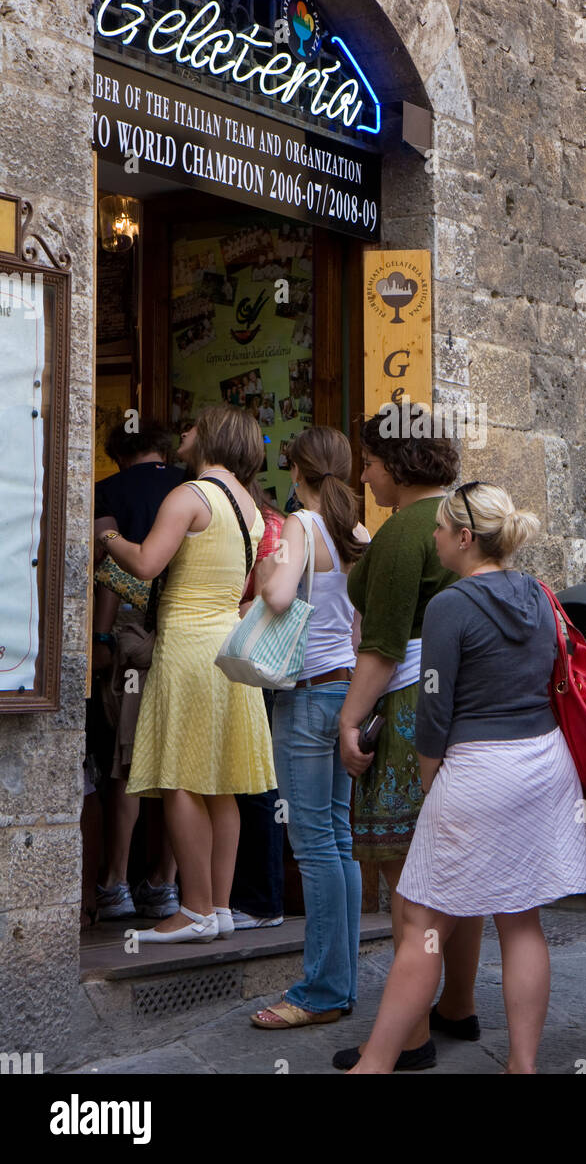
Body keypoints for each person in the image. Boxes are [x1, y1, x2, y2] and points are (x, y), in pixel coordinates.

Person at [347, 483, 586, 1074]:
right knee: (521, 920)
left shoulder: (449, 606)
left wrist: (433, 775)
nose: (433, 536)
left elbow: (435, 709)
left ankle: (376, 1064)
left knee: (419, 920)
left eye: (440, 528)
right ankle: (523, 1064)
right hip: (543, 763)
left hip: (479, 766)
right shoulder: (538, 593)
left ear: (465, 537)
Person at [334, 408, 484, 1071]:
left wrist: (347, 721)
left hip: (406, 716)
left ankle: (412, 1035)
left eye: (368, 461)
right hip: (468, 712)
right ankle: (459, 1006)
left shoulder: (402, 534)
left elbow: (382, 646)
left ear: (394, 463)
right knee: (460, 876)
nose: (363, 473)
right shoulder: (465, 516)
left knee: (409, 882)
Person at [99, 405, 277, 943]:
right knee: (222, 786)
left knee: (179, 777)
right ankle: (219, 907)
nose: (185, 432)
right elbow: (259, 586)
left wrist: (106, 536)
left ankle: (193, 909)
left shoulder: (190, 495)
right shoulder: (250, 506)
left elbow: (148, 563)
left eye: (194, 426)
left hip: (187, 648)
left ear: (213, 436)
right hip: (228, 649)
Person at [250, 427, 370, 1027]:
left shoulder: (301, 526)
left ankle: (321, 991)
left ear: (297, 470)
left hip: (305, 697)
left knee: (315, 846)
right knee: (339, 841)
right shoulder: (357, 533)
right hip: (347, 693)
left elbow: (274, 596)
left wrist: (270, 560)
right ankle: (339, 984)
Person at [92, 419, 185, 921]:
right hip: (189, 632)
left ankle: (113, 884)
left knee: (127, 760)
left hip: (135, 631)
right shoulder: (195, 487)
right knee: (179, 761)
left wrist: (103, 638)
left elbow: (113, 574)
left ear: (119, 453)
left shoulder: (110, 490)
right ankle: (164, 883)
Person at [229, 481, 287, 932]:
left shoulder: (266, 528)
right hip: (276, 664)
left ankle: (260, 900)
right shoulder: (280, 524)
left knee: (255, 782)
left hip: (260, 662)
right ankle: (261, 898)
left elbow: (268, 601)